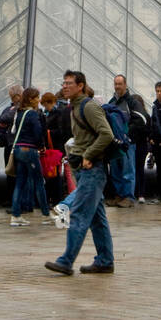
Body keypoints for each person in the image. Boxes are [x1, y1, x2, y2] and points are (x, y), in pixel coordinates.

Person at [45, 70, 115, 276]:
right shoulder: (75, 106)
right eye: (64, 83)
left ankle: (66, 261)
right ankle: (104, 261)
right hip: (86, 169)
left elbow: (107, 134)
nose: (65, 86)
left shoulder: (89, 106)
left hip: (92, 169)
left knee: (79, 215)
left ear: (81, 85)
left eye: (69, 83)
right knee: (97, 219)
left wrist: (89, 154)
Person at [9, 87, 50, 226]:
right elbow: (38, 132)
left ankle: (15, 215)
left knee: (20, 183)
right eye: (37, 97)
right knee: (39, 182)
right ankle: (46, 214)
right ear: (31, 99)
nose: (39, 100)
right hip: (30, 150)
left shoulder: (20, 112)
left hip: (19, 150)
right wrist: (41, 146)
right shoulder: (32, 114)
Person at [109, 75, 142, 206]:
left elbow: (141, 120)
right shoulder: (112, 102)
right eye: (115, 84)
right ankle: (119, 195)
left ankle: (128, 197)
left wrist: (128, 135)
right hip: (115, 143)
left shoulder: (132, 102)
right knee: (116, 170)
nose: (117, 86)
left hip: (127, 143)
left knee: (128, 170)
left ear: (125, 85)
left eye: (120, 84)